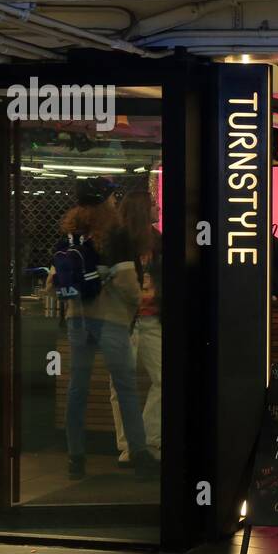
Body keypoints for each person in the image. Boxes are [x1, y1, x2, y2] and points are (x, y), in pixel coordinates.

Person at [56, 178, 157, 482]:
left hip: (77, 319)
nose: (115, 202)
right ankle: (138, 453)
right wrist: (138, 301)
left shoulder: (70, 235)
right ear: (106, 201)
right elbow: (127, 282)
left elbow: (55, 280)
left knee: (78, 387)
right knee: (125, 386)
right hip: (111, 319)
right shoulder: (116, 235)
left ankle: (75, 456)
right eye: (113, 197)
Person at [114, 189, 162, 460]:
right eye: (153, 204)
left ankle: (144, 440)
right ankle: (132, 445)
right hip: (126, 320)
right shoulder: (119, 242)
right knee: (121, 384)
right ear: (142, 210)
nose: (157, 208)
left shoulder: (158, 241)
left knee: (163, 378)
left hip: (151, 317)